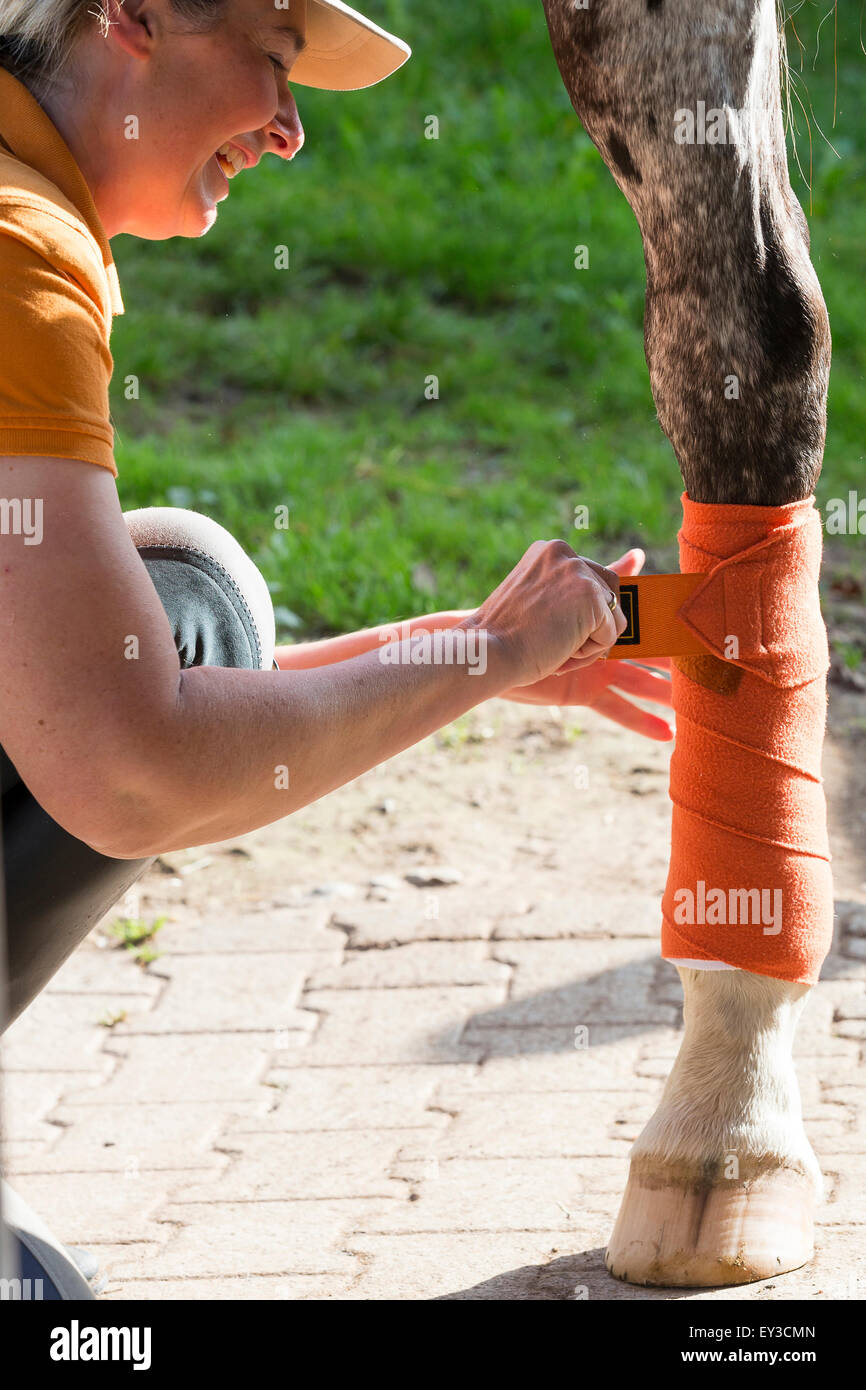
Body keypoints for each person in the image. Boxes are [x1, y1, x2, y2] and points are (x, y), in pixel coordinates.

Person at [0, 0, 672, 1030]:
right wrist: (484, 656)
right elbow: (127, 766)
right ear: (132, 12)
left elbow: (80, 681)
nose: (288, 129)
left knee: (174, 603)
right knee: (196, 595)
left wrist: (466, 651)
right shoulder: (19, 253)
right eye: (273, 59)